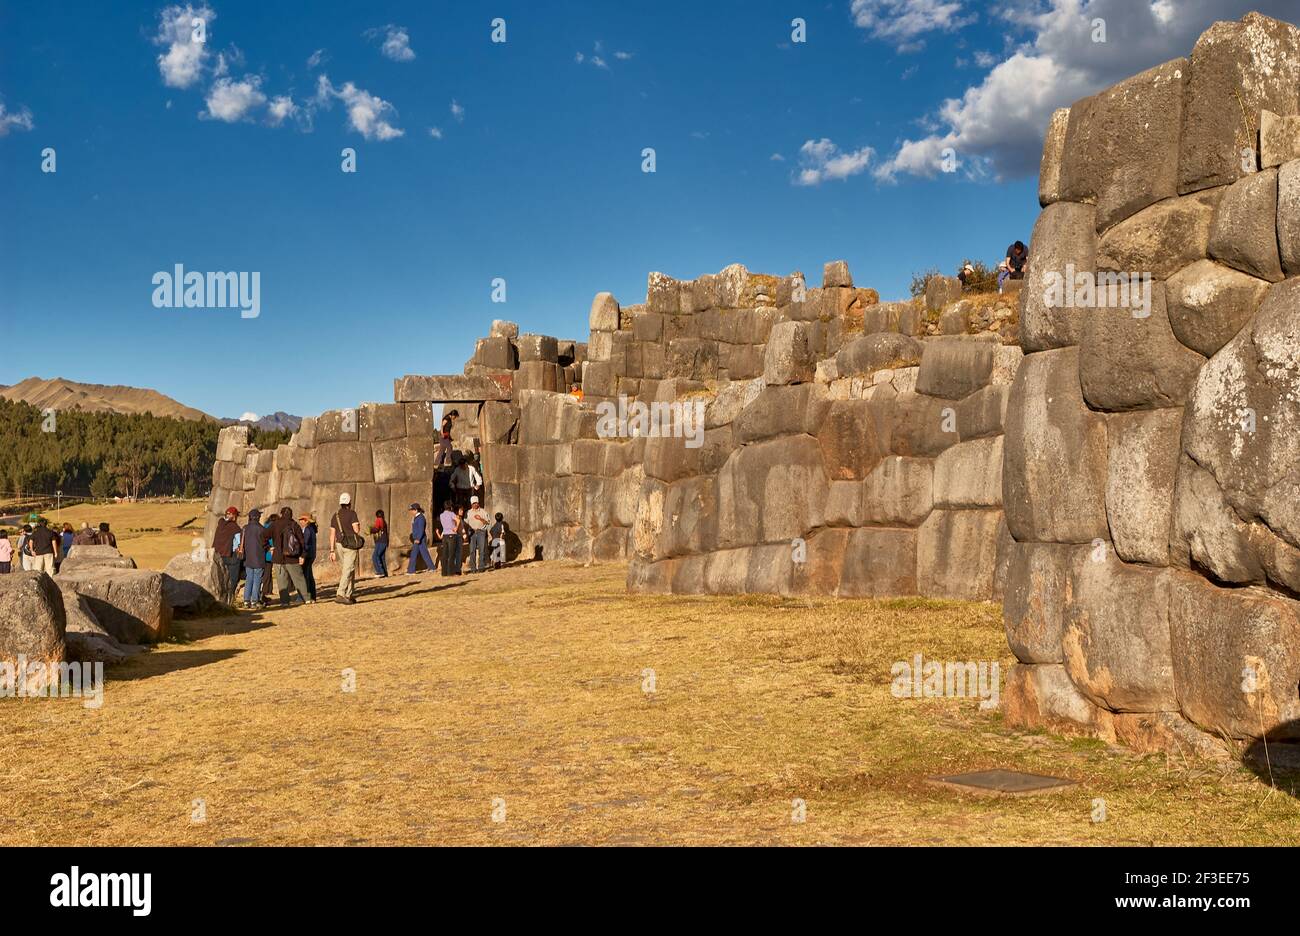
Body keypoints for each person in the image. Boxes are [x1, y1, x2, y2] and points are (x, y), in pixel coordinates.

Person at [271, 507, 311, 608]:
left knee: (281, 581)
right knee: (299, 579)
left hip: (278, 558)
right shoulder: (294, 525)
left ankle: (285, 601)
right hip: (292, 557)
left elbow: (263, 536)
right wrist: (302, 555)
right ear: (291, 515)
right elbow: (302, 542)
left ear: (281, 514)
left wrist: (268, 548)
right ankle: (306, 599)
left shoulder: (275, 524)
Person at [329, 492, 363, 605]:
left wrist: (332, 550)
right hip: (350, 545)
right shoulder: (352, 513)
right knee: (347, 569)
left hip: (339, 544)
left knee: (349, 569)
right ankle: (340, 593)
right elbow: (356, 530)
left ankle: (349, 594)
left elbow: (332, 534)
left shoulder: (335, 515)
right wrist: (358, 526)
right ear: (349, 502)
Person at [239, 508, 269, 610]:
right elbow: (265, 544)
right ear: (257, 517)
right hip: (259, 558)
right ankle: (254, 601)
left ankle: (246, 601)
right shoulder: (262, 529)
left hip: (248, 558)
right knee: (257, 580)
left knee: (249, 579)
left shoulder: (244, 528)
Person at [213, 506, 243, 593]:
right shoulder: (234, 527)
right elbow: (239, 542)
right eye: (236, 515)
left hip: (218, 554)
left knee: (222, 576)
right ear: (233, 516)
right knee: (233, 577)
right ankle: (230, 595)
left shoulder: (220, 525)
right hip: (231, 555)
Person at [406, 503, 435, 574]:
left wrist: (418, 538)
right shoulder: (416, 517)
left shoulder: (421, 518)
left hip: (420, 539)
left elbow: (421, 529)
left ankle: (411, 571)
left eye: (412, 510)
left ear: (416, 510)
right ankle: (432, 567)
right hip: (418, 539)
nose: (411, 511)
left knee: (414, 554)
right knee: (423, 553)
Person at [465, 496, 491, 573]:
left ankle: (481, 567)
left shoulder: (483, 512)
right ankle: (473, 568)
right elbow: (465, 523)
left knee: (481, 550)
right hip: (472, 532)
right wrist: (467, 533)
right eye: (473, 503)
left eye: (476, 503)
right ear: (471, 504)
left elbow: (488, 522)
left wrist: (480, 519)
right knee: (472, 551)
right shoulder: (468, 512)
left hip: (481, 532)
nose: (475, 504)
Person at [438, 501, 461, 576]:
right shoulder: (451, 514)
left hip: (445, 535)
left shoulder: (441, 515)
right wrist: (456, 528)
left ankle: (444, 572)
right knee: (451, 554)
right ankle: (450, 572)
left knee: (445, 554)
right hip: (451, 534)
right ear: (450, 507)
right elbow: (458, 520)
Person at [299, 514, 318, 602]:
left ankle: (306, 595)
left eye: (302, 519)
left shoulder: (307, 530)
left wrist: (302, 555)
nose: (300, 521)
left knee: (306, 576)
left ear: (307, 520)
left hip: (307, 555)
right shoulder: (312, 529)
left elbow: (305, 544)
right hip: (311, 554)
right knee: (309, 576)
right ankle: (312, 596)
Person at [371, 509, 389, 577]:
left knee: (375, 556)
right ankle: (385, 573)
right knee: (381, 557)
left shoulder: (379, 519)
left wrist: (370, 530)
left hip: (380, 542)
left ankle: (380, 572)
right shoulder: (384, 521)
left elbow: (377, 528)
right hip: (384, 541)